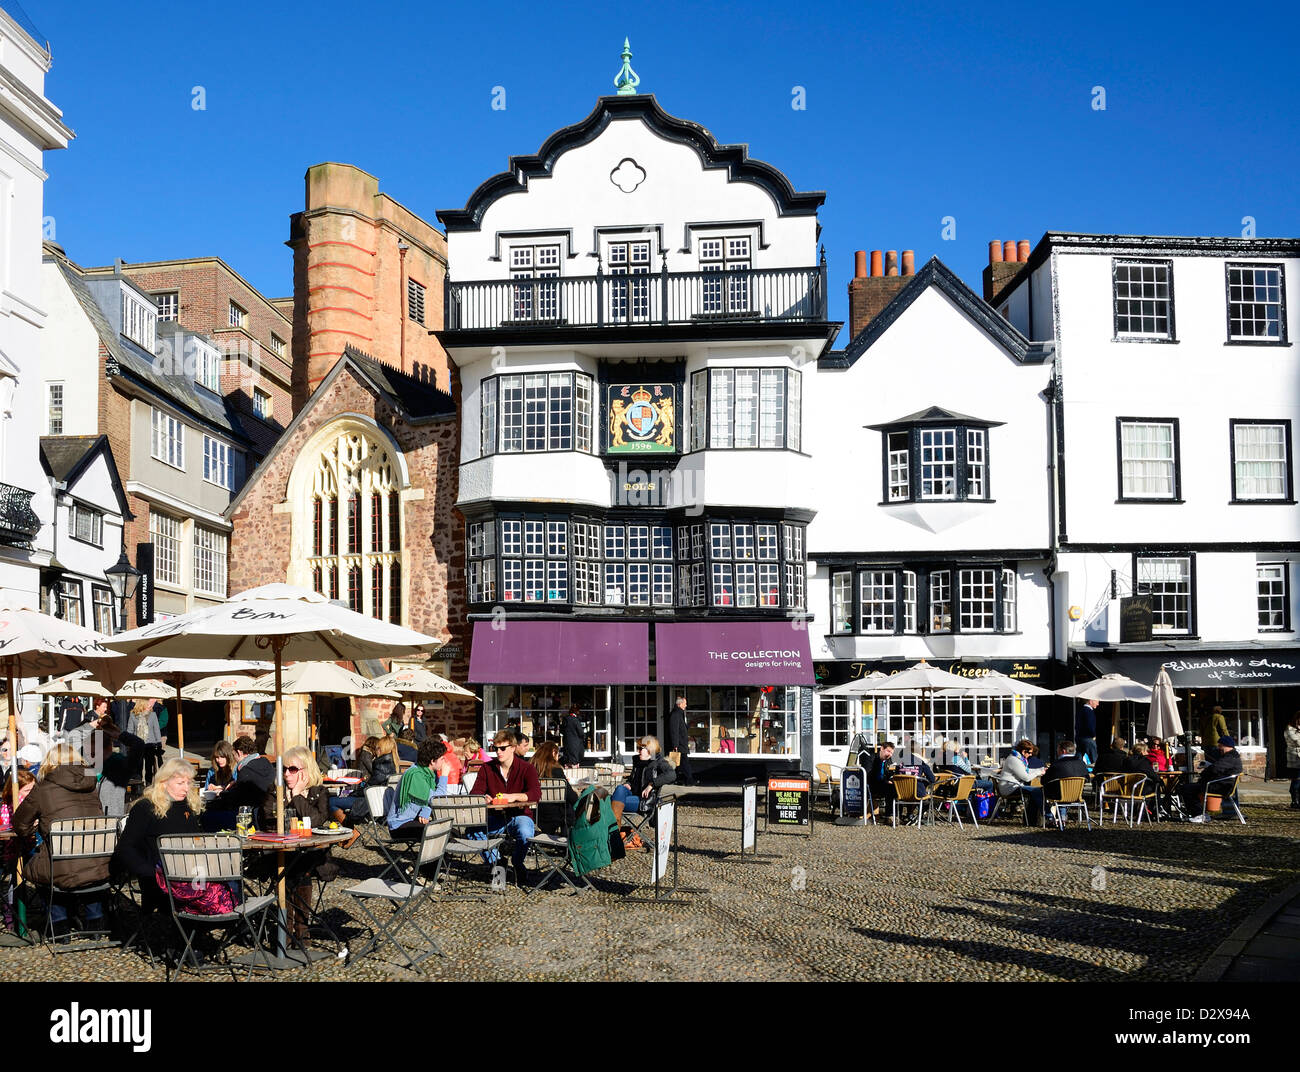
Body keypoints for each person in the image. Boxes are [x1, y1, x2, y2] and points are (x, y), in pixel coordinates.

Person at [12, 742, 109, 939]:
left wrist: (33, 830)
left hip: (61, 865)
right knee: (85, 864)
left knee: (40, 863)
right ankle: (95, 923)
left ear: (50, 762)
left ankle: (59, 926)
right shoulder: (92, 785)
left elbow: (20, 823)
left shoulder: (43, 788)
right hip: (99, 862)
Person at [112, 758, 231, 915]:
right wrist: (151, 873)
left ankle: (233, 923)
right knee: (224, 889)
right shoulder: (146, 807)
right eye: (180, 783)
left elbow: (196, 841)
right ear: (164, 782)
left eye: (188, 783)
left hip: (191, 874)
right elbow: (126, 848)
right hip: (163, 880)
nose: (186, 788)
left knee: (230, 879)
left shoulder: (187, 805)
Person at [259, 747, 337, 938]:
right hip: (279, 853)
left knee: (301, 869)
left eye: (292, 769)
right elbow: (268, 818)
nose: (286, 774)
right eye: (284, 769)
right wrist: (286, 799)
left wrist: (297, 796)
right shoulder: (274, 790)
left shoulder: (319, 792)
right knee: (290, 868)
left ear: (306, 770)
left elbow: (317, 820)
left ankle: (300, 932)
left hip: (310, 854)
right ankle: (286, 932)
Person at [471, 729, 541, 881]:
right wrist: (483, 797)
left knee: (525, 832)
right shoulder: (487, 768)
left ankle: (517, 862)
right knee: (472, 830)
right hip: (495, 816)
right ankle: (497, 862)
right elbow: (475, 793)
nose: (498, 752)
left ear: (513, 748)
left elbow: (536, 794)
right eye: (495, 748)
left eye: (502, 748)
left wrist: (514, 797)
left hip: (519, 815)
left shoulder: (527, 768)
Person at [612, 735, 675, 846]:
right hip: (631, 794)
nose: (638, 751)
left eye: (641, 749)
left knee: (609, 803)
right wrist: (628, 784)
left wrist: (652, 784)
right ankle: (614, 834)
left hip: (644, 801)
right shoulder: (637, 760)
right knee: (620, 789)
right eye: (638, 748)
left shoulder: (659, 762)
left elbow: (672, 775)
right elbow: (632, 779)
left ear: (650, 750)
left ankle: (612, 835)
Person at [386, 738, 450, 837]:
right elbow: (437, 799)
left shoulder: (428, 774)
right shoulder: (415, 775)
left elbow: (425, 798)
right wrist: (444, 776)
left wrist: (426, 810)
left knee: (451, 831)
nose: (445, 761)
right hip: (400, 824)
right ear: (433, 761)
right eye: (442, 759)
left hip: (413, 819)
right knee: (443, 833)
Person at [1186, 736, 1244, 821]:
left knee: (1187, 788)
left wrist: (1204, 774)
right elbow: (1218, 767)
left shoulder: (1230, 757)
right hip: (1222, 785)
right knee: (1192, 787)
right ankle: (1200, 813)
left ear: (1226, 745)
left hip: (1221, 787)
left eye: (1220, 746)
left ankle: (1199, 814)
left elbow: (1215, 769)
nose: (1219, 748)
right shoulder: (1231, 756)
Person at [1040, 740, 1090, 822]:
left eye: (1058, 750)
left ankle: (1049, 816)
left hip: (1059, 795)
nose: (1057, 752)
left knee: (1041, 791)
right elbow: (1087, 778)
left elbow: (1043, 781)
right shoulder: (1081, 763)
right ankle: (1062, 817)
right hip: (1077, 794)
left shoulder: (1057, 764)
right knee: (1060, 788)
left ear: (1063, 751)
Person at [996, 738, 1043, 825]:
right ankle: (1045, 815)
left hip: (1014, 786)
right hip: (1009, 788)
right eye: (1029, 753)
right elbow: (1026, 777)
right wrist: (1038, 772)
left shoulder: (1019, 759)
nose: (1030, 755)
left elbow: (1026, 771)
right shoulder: (1014, 760)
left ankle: (1031, 820)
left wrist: (1041, 769)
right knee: (1035, 791)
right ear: (1023, 751)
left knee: (1035, 791)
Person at [128, 699, 163, 785]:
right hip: (138, 745)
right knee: (138, 767)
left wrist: (159, 743)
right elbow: (130, 730)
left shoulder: (153, 715)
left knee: (149, 767)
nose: (150, 706)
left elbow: (156, 730)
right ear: (142, 705)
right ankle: (139, 785)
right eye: (147, 704)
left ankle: (148, 785)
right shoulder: (133, 715)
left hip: (150, 745)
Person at [666, 694, 693, 787]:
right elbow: (674, 731)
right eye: (684, 703)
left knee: (679, 763)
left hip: (681, 743)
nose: (686, 705)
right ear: (679, 704)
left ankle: (679, 779)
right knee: (684, 763)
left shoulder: (679, 713)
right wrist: (675, 745)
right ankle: (689, 780)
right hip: (679, 744)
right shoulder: (675, 714)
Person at [1075, 698, 1100, 765]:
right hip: (1088, 738)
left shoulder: (1081, 710)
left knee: (1078, 758)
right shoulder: (1089, 711)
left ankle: (1077, 772)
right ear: (1090, 701)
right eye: (1097, 701)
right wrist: (1093, 735)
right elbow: (1090, 725)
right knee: (1094, 760)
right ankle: (1097, 774)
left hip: (1079, 737)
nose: (1098, 704)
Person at [1285, 713, 1300, 810]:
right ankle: (1295, 801)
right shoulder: (1289, 730)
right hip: (1295, 759)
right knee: (1297, 780)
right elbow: (1298, 742)